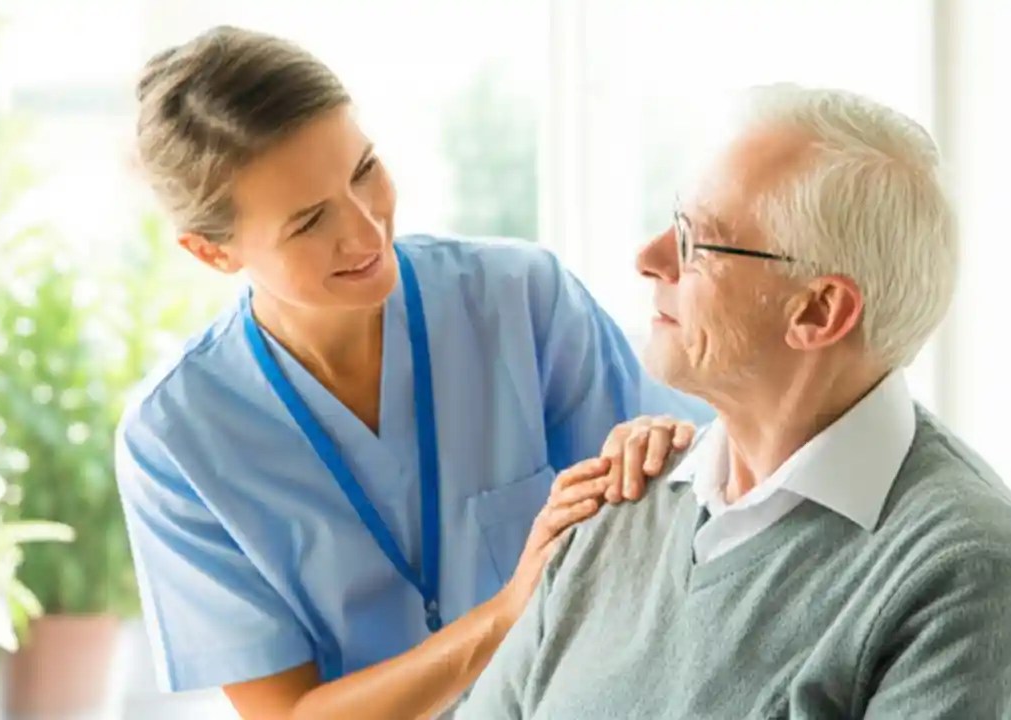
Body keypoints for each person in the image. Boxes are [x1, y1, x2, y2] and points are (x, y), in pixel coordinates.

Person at [114, 25, 712, 720]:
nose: (367, 232)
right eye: (309, 222)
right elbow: (290, 714)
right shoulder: (176, 439)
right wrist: (508, 612)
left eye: (364, 170)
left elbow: (683, 516)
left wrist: (663, 449)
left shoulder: (522, 299)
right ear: (212, 254)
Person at [458, 83, 1011, 719]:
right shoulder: (623, 501)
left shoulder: (966, 569)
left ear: (818, 310)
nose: (648, 259)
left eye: (697, 243)